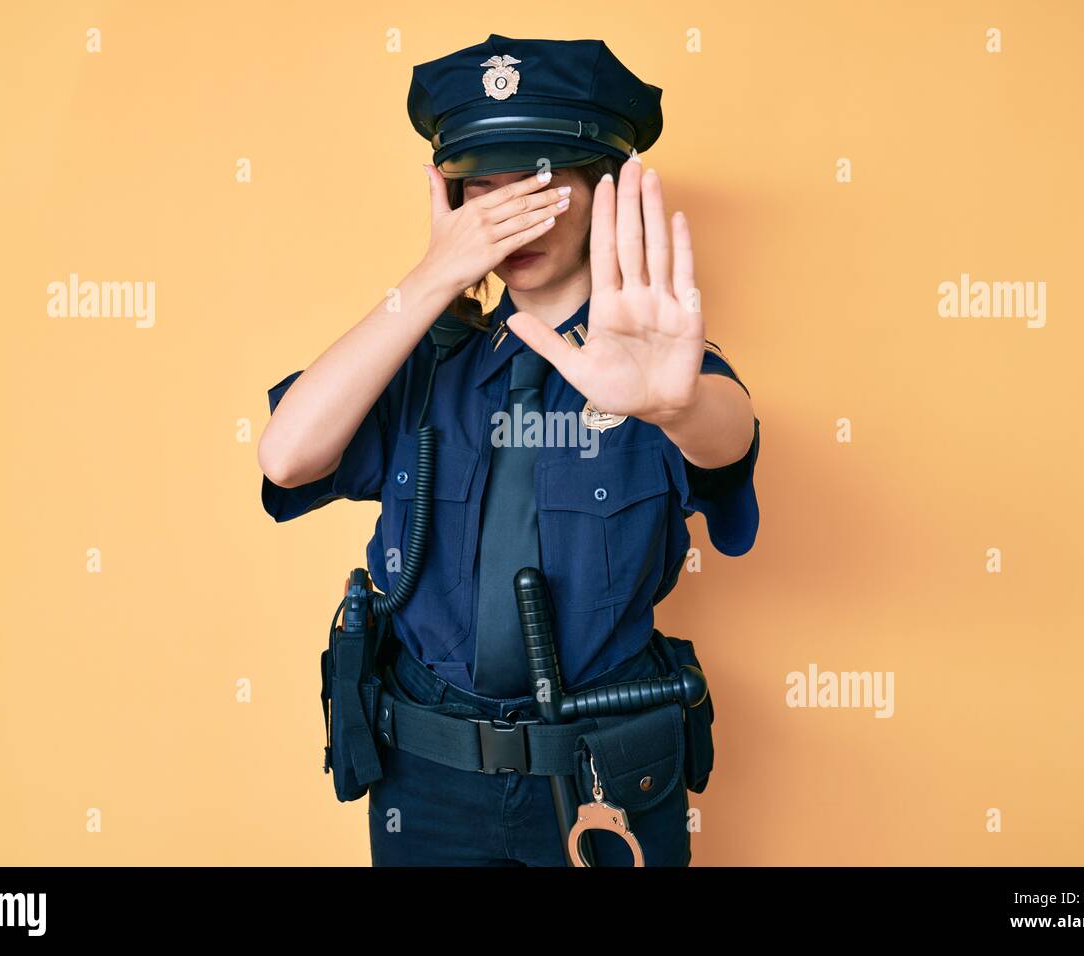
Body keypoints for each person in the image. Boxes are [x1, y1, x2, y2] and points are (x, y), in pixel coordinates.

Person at [258, 34, 760, 866]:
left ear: (601, 195)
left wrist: (676, 403)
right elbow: (286, 457)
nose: (506, 215)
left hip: (606, 777)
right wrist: (431, 278)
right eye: (481, 190)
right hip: (426, 780)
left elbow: (726, 437)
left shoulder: (656, 363)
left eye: (537, 184)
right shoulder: (421, 362)